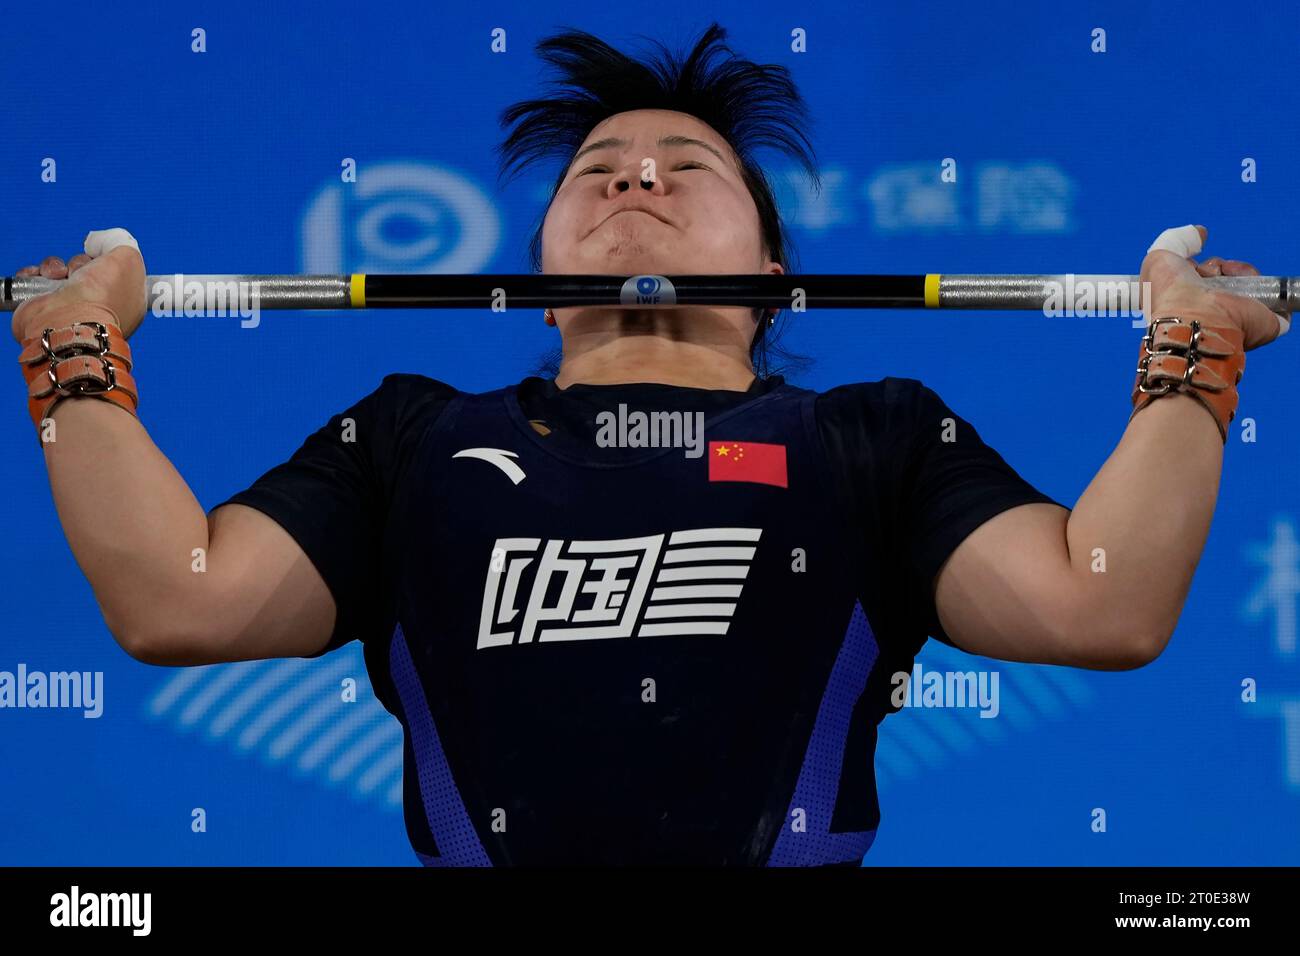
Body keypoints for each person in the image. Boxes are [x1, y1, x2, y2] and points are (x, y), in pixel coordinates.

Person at [12, 24, 1288, 866]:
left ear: (772, 271)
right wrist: (78, 353)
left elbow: (1104, 606)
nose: (633, 182)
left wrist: (1189, 354)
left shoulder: (870, 435)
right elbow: (173, 599)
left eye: (686, 163)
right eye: (597, 171)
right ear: (544, 274)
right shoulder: (410, 438)